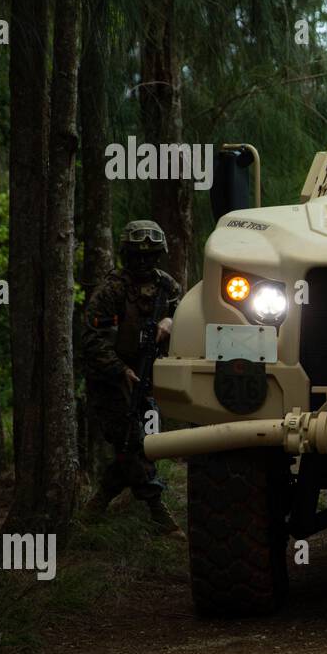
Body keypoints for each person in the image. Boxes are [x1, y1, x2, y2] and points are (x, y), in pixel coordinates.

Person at [80, 220, 183, 535]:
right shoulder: (111, 290)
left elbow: (189, 316)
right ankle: (157, 511)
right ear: (126, 255)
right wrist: (119, 369)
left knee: (138, 444)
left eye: (150, 256)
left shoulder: (168, 287)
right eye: (137, 256)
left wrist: (170, 320)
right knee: (134, 442)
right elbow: (91, 338)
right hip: (112, 381)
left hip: (149, 377)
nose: (143, 262)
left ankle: (95, 506)